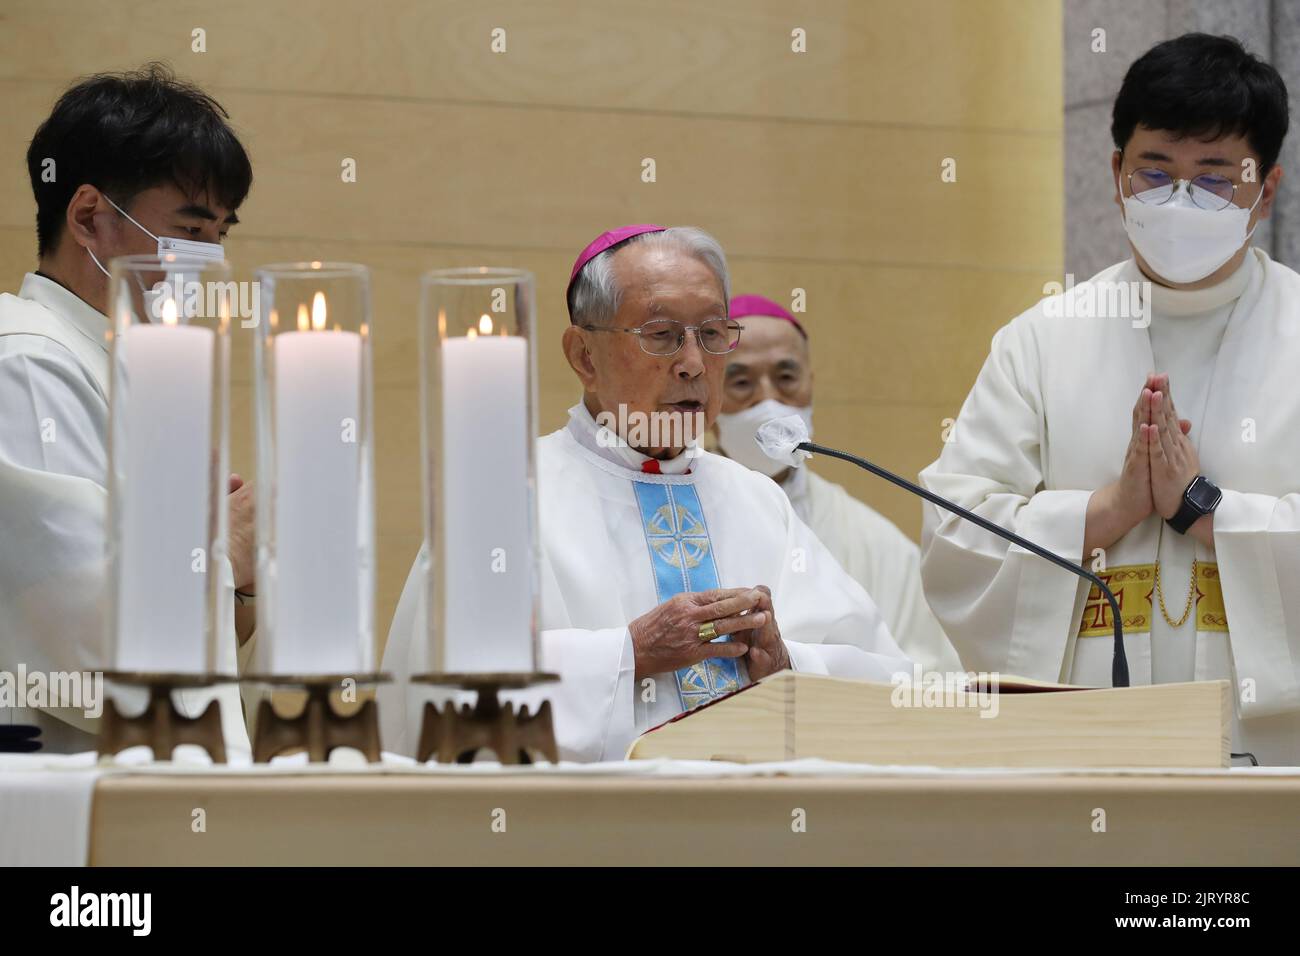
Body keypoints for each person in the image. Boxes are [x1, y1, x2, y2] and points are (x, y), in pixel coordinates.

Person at [382, 225, 910, 761]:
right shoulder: (499, 497)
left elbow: (884, 682)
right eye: (661, 335)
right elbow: (451, 698)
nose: (694, 363)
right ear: (585, 356)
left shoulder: (757, 500)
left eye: (711, 334)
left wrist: (782, 662)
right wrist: (631, 652)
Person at [919, 34, 1298, 764]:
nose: (1181, 201)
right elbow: (954, 534)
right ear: (1117, 171)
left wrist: (1206, 511)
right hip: (1082, 748)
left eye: (1214, 178)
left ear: (1267, 189)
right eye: (1156, 173)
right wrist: (1108, 512)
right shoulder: (1042, 339)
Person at [0, 64, 255, 754]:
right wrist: (223, 552)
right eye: (191, 231)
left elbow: (192, 650)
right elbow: (85, 649)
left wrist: (241, 582)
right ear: (88, 218)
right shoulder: (26, 363)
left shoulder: (135, 374)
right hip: (57, 800)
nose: (208, 263)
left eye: (221, 237)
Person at [715, 293, 959, 673]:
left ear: (810, 384)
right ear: (708, 397)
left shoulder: (877, 544)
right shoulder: (678, 517)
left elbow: (926, 673)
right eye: (742, 381)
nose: (768, 400)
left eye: (786, 378)